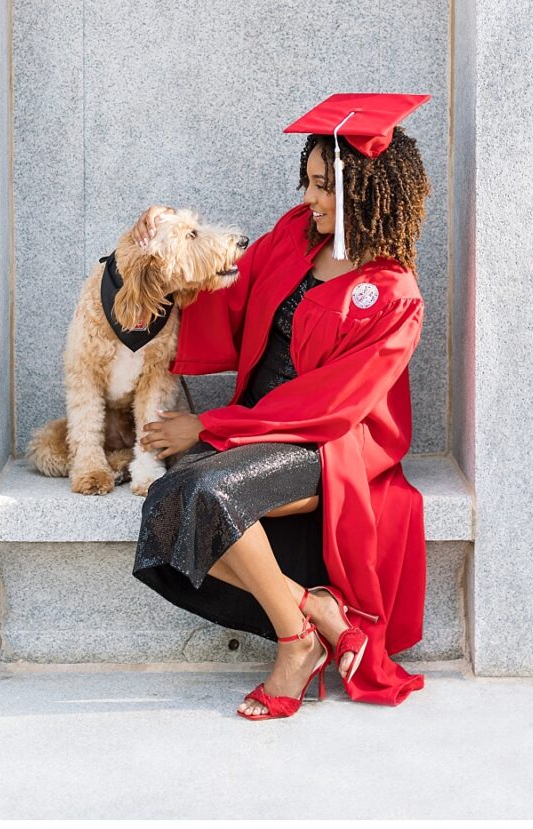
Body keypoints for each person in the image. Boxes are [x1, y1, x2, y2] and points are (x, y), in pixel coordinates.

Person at [129, 93, 432, 719]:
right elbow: (223, 289)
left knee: (207, 495)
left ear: (366, 190)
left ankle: (295, 649)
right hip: (258, 429)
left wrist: (208, 423)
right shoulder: (295, 236)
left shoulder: (394, 296)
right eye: (309, 181)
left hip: (327, 445)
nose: (310, 198)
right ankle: (315, 613)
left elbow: (331, 405)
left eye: (324, 187)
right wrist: (160, 246)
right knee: (169, 500)